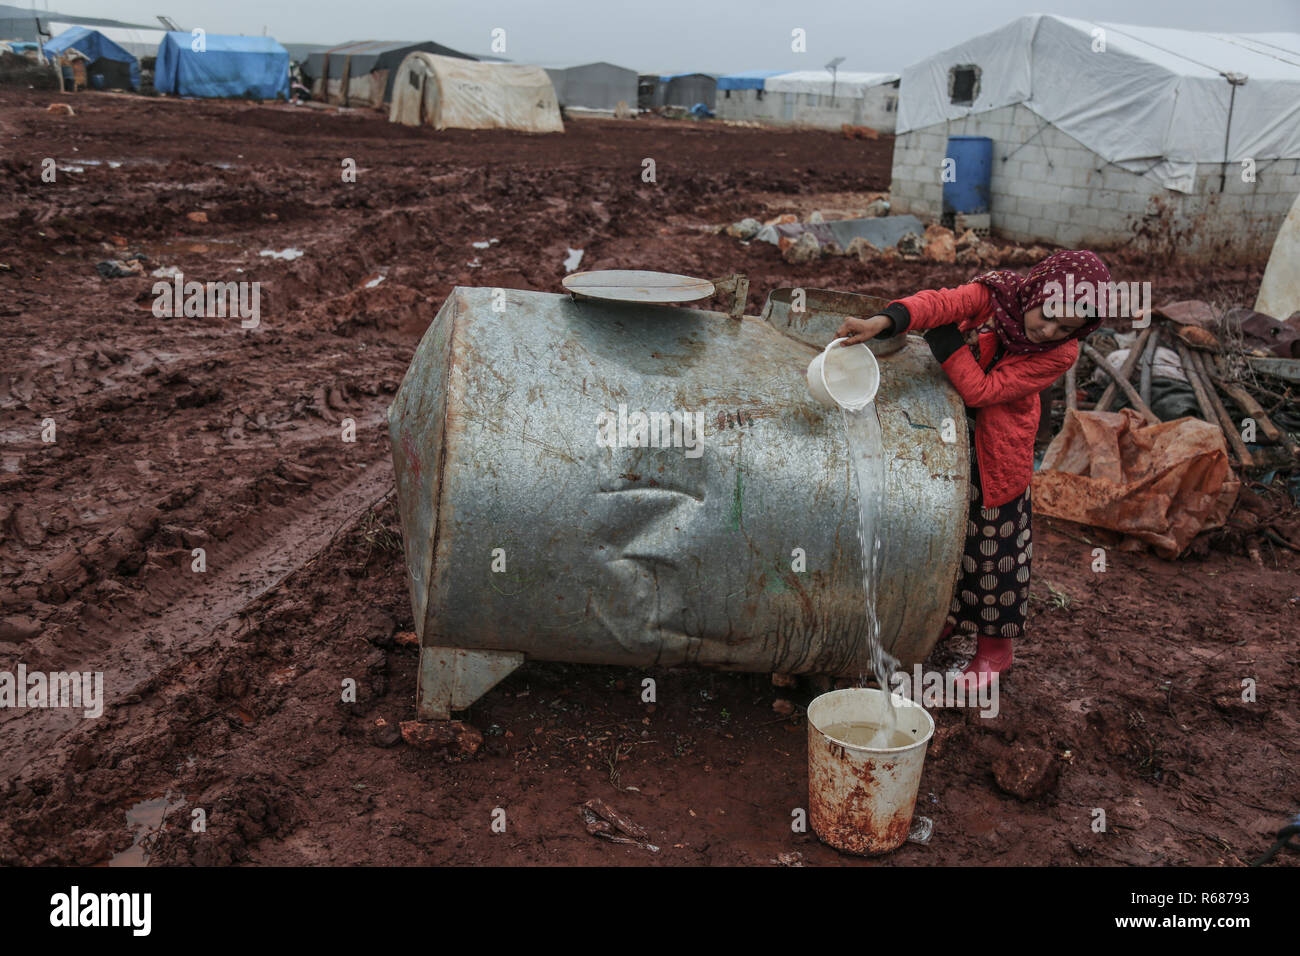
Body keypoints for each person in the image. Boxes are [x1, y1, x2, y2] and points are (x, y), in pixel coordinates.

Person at [834, 251, 1110, 691]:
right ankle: (946, 619)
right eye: (1050, 315)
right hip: (948, 438)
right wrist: (883, 322)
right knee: (946, 539)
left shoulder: (1059, 354)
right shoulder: (999, 294)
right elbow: (943, 303)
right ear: (1038, 290)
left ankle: (994, 653)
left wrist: (945, 342)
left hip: (997, 455)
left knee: (993, 553)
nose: (1049, 330)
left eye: (1066, 328)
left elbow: (982, 391)